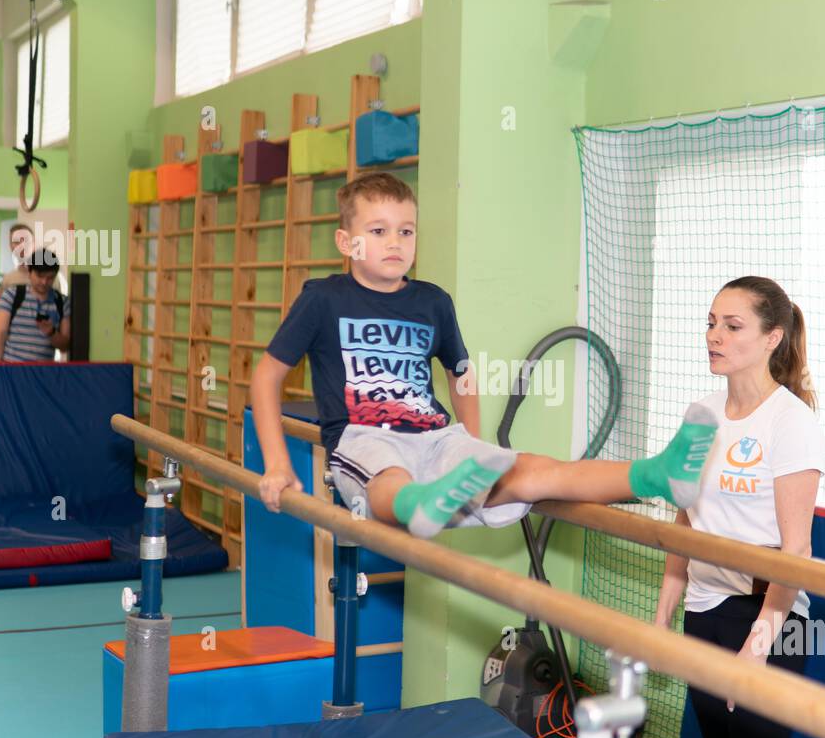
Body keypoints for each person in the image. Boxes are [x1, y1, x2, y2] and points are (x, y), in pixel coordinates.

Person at [251, 172, 717, 539]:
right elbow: (267, 377)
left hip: (436, 437)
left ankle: (658, 474)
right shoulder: (324, 299)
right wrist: (277, 462)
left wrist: (471, 444)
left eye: (406, 231)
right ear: (345, 242)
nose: (395, 242)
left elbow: (461, 375)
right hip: (365, 437)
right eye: (378, 230)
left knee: (535, 471)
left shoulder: (432, 302)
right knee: (389, 476)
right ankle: (420, 505)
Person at [654, 275, 825, 738]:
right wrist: (664, 613)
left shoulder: (791, 421)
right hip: (705, 606)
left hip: (769, 615)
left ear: (773, 337)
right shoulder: (700, 414)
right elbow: (685, 519)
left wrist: (758, 647)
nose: (714, 336)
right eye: (711, 323)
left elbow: (796, 550)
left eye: (732, 326)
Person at [0, 248, 70, 363]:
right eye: (40, 276)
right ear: (29, 272)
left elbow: (65, 346)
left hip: (44, 373)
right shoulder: (12, 295)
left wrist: (51, 332)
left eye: (50, 277)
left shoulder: (62, 302)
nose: (44, 282)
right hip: (12, 370)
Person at [0, 223, 35, 287]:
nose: (21, 246)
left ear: (34, 244)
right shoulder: (7, 280)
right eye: (16, 242)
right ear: (10, 246)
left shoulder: (51, 276)